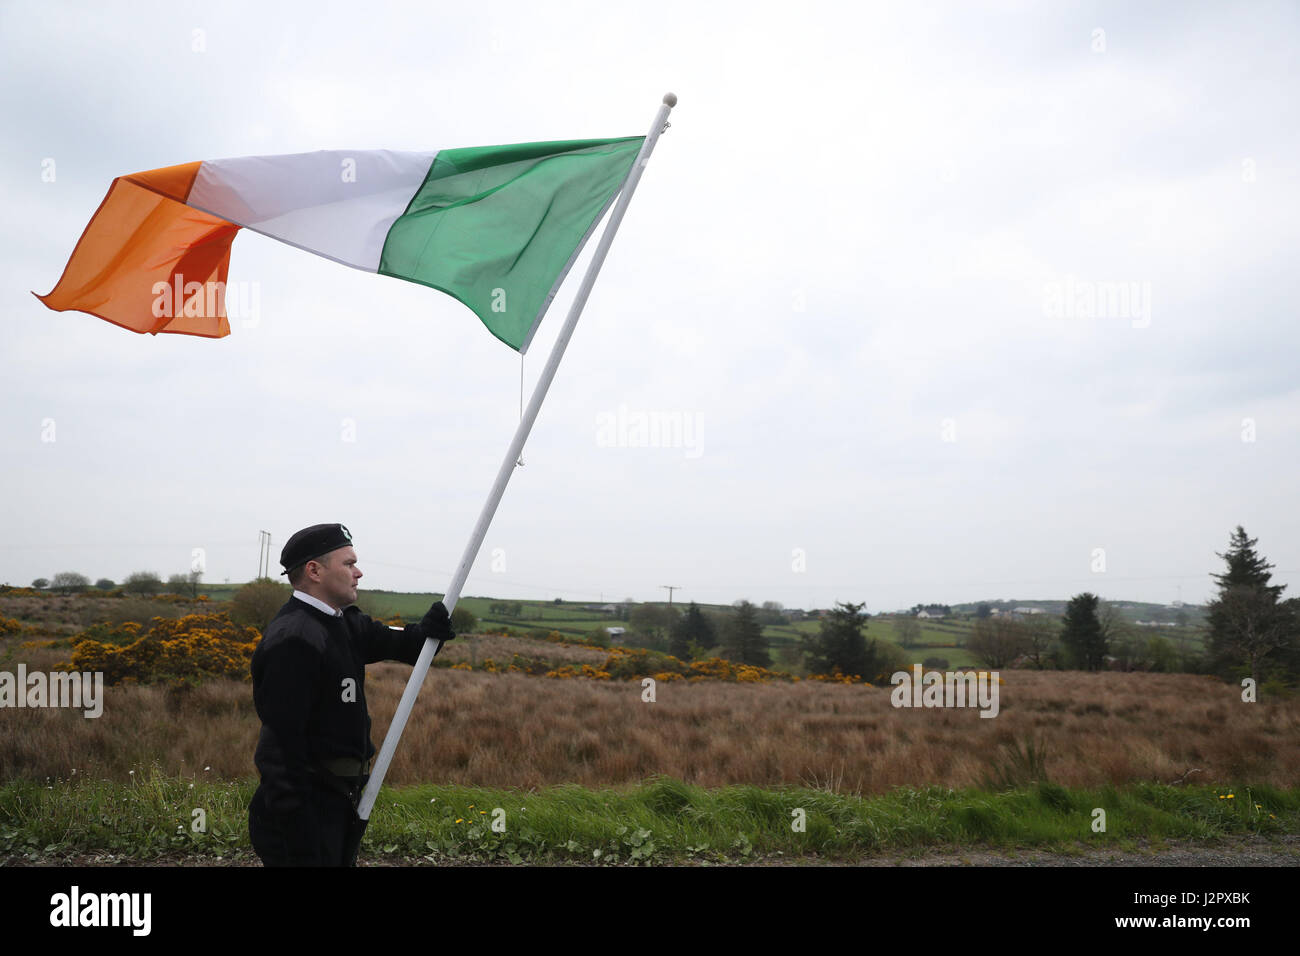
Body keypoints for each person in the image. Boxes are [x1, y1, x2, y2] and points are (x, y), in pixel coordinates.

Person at [247, 522, 454, 866]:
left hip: (338, 802)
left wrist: (432, 632)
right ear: (314, 570)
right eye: (348, 563)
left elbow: (408, 645)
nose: (358, 572)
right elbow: (280, 751)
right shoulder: (294, 639)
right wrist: (301, 836)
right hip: (305, 812)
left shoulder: (343, 622)